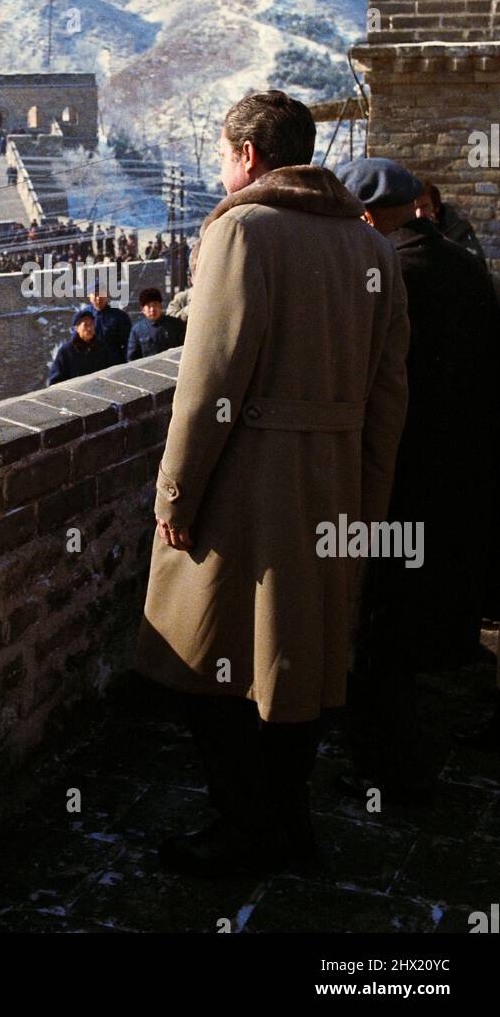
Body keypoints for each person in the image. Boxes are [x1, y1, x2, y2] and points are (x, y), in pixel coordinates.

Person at [134, 90, 410, 879]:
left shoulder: (244, 231)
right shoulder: (373, 250)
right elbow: (391, 398)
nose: (222, 173)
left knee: (207, 659)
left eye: (223, 156)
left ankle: (241, 826)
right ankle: (290, 822)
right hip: (333, 490)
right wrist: (370, 512)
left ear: (249, 156)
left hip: (248, 487)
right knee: (301, 668)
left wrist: (176, 498)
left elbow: (209, 381)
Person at [338, 157, 500, 797]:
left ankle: (390, 765)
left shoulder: (383, 276)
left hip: (397, 470)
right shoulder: (465, 266)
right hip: (463, 471)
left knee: (379, 615)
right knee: (431, 599)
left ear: (369, 216)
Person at [414, 180, 488, 268]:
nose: (418, 214)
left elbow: (478, 264)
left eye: (424, 207)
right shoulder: (403, 229)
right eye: (414, 208)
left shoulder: (458, 228)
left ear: (436, 207)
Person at [48, 309, 112, 385]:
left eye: (91, 324)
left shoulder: (102, 347)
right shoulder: (66, 351)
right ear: (77, 328)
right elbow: (56, 380)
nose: (89, 328)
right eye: (85, 325)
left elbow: (110, 372)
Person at [127, 288, 186, 359]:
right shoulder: (137, 330)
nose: (152, 309)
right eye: (148, 306)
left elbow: (184, 349)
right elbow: (132, 357)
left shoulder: (176, 324)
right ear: (143, 310)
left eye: (155, 305)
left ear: (161, 306)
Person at [83, 290, 131, 366]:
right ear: (89, 297)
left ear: (107, 295)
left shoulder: (119, 316)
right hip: (90, 365)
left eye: (101, 294)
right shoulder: (82, 318)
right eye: (95, 295)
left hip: (114, 364)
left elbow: (128, 343)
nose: (98, 298)